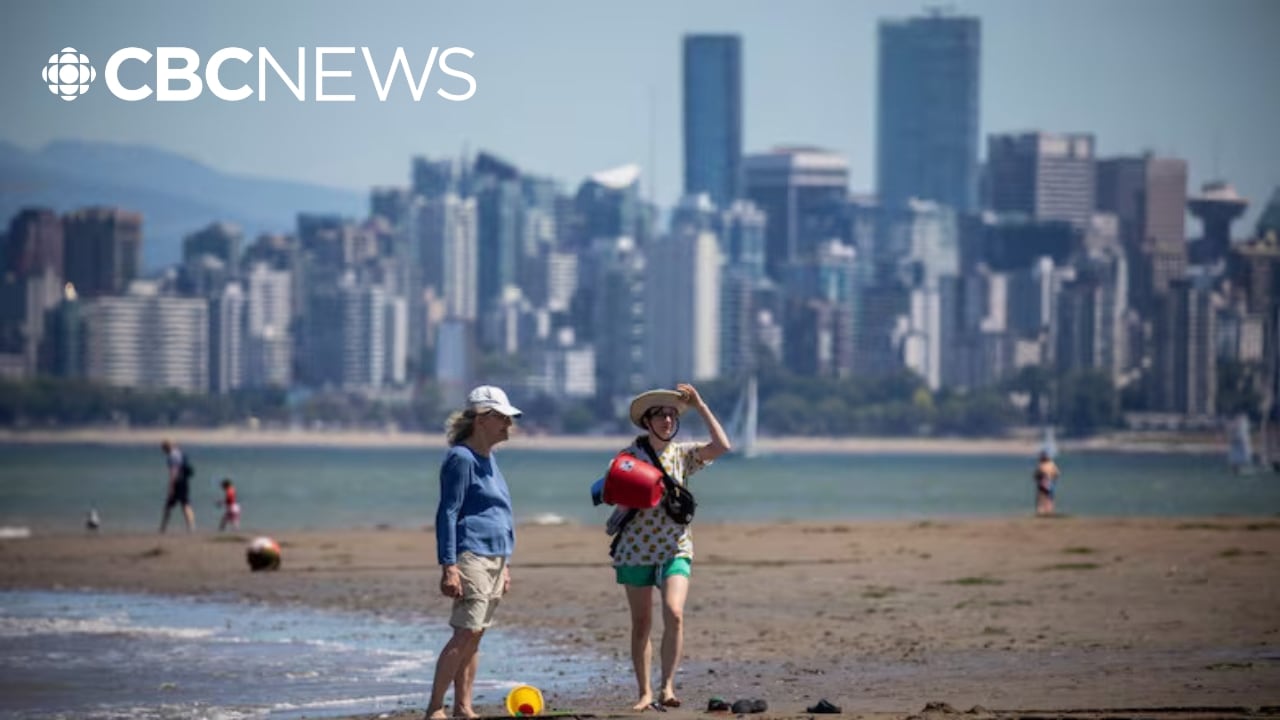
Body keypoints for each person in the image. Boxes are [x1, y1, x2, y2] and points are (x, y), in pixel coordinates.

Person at [607, 383, 730, 711]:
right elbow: (610, 493)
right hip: (634, 548)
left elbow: (722, 446)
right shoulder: (628, 456)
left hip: (676, 546)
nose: (666, 420)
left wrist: (701, 405)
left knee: (674, 613)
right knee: (642, 623)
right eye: (659, 415)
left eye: (672, 415)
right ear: (646, 421)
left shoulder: (683, 453)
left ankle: (667, 687)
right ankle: (644, 691)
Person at [426, 385, 523, 720]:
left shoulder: (489, 459)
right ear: (482, 419)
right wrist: (448, 566)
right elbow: (448, 513)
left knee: (477, 632)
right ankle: (435, 707)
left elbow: (499, 512)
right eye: (503, 419)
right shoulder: (460, 458)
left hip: (496, 556)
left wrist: (505, 564)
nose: (509, 426)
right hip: (472, 554)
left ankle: (463, 707)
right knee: (466, 630)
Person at [158, 439, 195, 533]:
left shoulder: (171, 456)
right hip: (185, 481)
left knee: (168, 506)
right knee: (186, 503)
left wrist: (171, 486)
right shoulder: (179, 453)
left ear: (165, 448)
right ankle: (191, 527)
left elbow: (173, 472)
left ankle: (163, 528)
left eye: (163, 449)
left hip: (177, 482)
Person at [1034, 451, 1061, 517]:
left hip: (1045, 482)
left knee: (1043, 498)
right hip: (1048, 482)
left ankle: (1043, 511)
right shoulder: (1050, 464)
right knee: (1048, 498)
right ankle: (1047, 511)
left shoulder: (1042, 464)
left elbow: (1036, 474)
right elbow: (1057, 473)